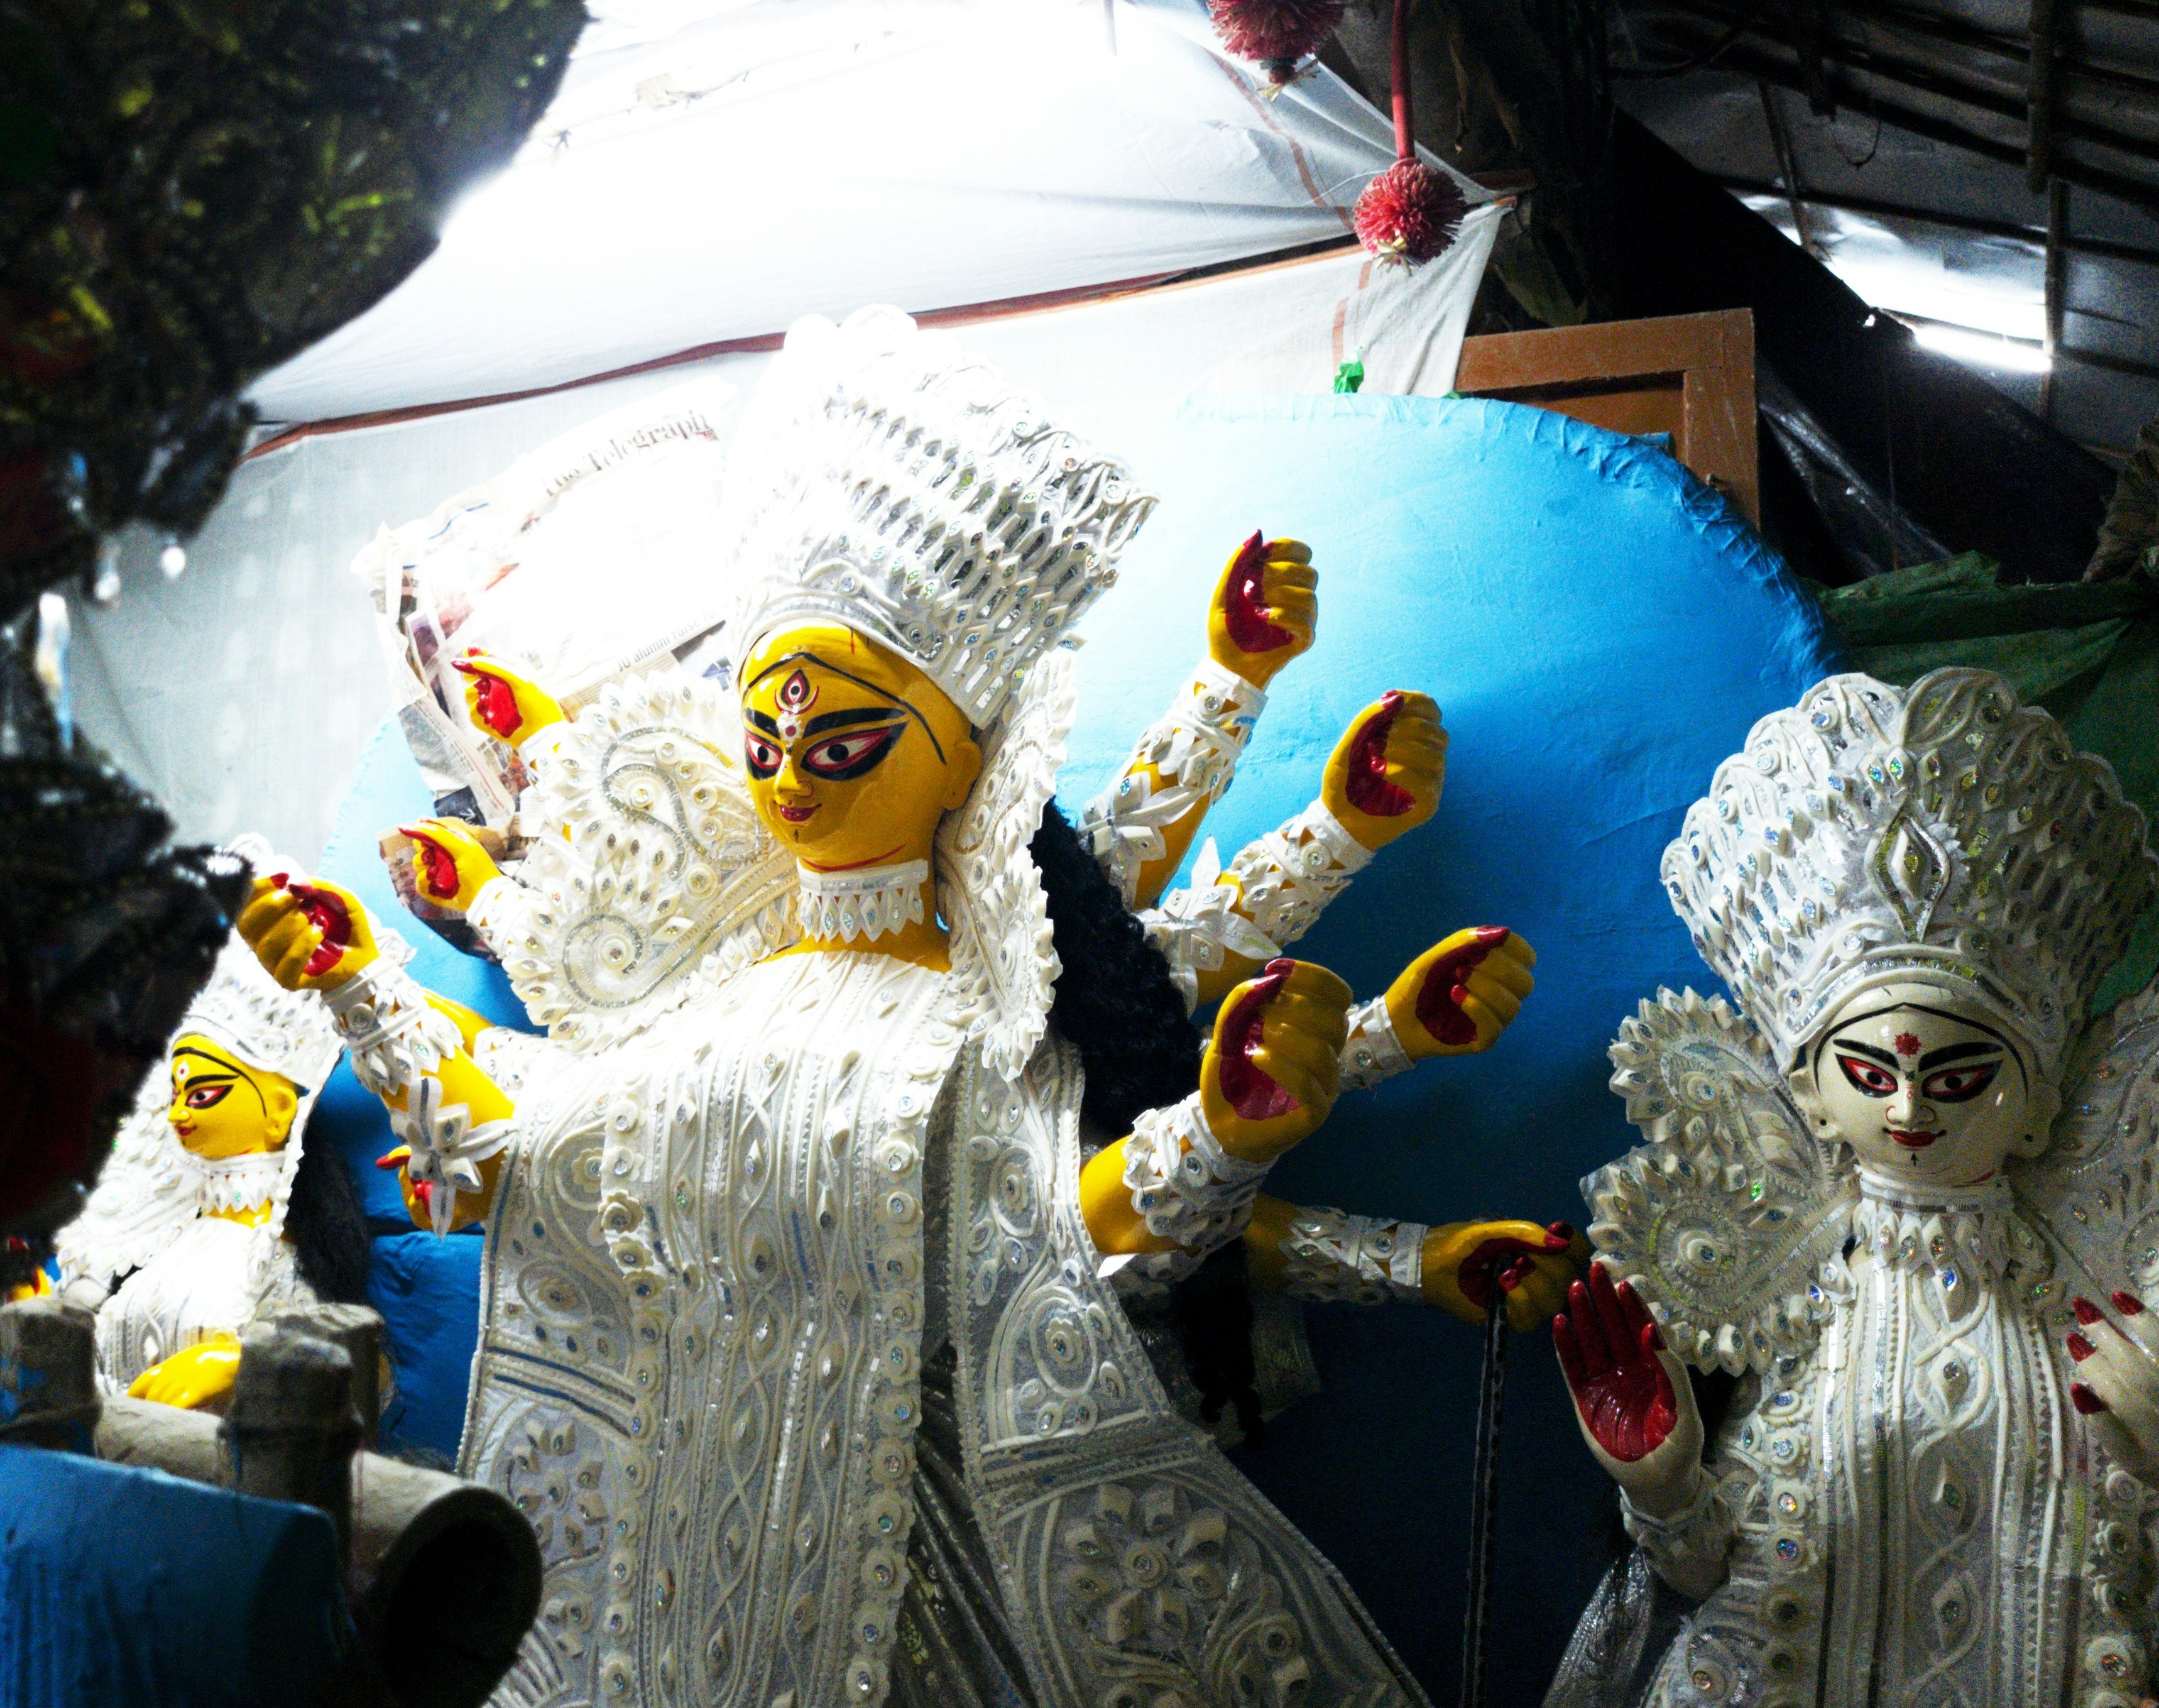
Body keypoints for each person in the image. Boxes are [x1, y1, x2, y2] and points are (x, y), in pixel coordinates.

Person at [241, 309, 1563, 1707]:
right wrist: (353, 979)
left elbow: (1056, 1248)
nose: (795, 782)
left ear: (964, 754)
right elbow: (529, 1163)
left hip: (942, 1576)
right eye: (765, 744)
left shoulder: (996, 1001)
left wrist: (1231, 1133)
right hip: (681, 1568)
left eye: (843, 741)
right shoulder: (706, 997)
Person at [1546, 667, 2159, 1708]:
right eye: (1874, 1075)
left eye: (1959, 1077)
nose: (1913, 1108)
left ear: (2039, 1097)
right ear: (1811, 1096)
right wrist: (1661, 1485)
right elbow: (1709, 1577)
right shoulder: (1780, 1295)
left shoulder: (2099, 1302)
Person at [55, 839, 371, 1409]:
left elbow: (357, 1372)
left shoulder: (287, 1252)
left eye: (202, 1094)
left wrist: (248, 1365)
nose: (179, 1112)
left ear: (278, 1109)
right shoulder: (164, 1234)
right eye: (176, 1094)